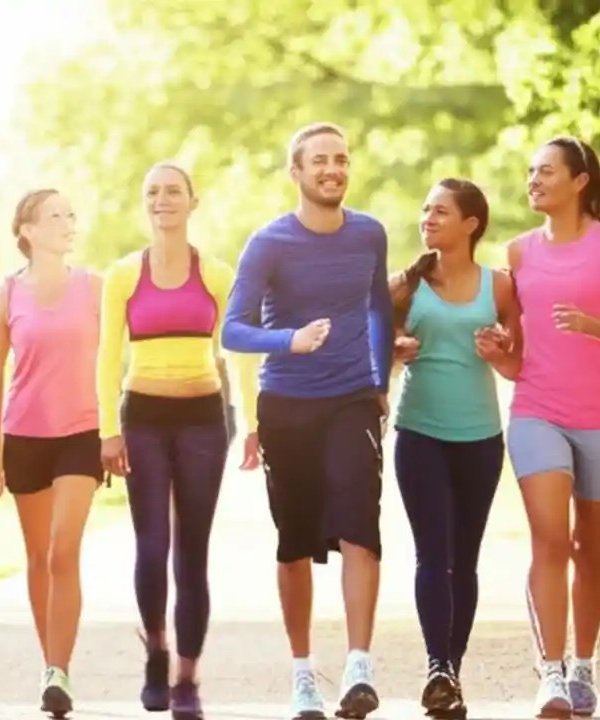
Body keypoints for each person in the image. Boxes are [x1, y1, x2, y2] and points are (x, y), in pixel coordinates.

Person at [222, 122, 393, 720]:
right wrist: (289, 339)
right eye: (319, 160)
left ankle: (358, 667)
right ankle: (302, 675)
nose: (332, 169)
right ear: (296, 172)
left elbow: (377, 304)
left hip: (351, 399)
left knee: (360, 527)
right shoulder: (269, 244)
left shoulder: (369, 234)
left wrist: (378, 380)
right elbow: (232, 328)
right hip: (288, 405)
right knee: (294, 542)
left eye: (341, 159)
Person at [97, 162, 261, 719]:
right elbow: (105, 358)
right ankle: (155, 653)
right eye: (153, 193)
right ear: (145, 204)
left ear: (193, 203)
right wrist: (108, 431)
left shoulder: (216, 273)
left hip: (201, 418)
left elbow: (238, 347)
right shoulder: (123, 275)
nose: (162, 200)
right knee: (151, 545)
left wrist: (251, 421)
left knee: (192, 553)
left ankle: (187, 678)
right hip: (141, 415)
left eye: (173, 192)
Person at [502, 136, 600, 719]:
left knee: (593, 549)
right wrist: (497, 352)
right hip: (536, 409)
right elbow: (516, 346)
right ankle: (551, 672)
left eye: (545, 172)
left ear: (578, 180)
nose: (534, 180)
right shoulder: (517, 253)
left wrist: (593, 325)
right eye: (530, 172)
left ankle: (584, 664)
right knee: (551, 540)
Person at [388, 179, 520, 719]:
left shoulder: (503, 286)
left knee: (464, 559)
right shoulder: (404, 285)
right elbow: (373, 349)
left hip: (481, 438)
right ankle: (436, 666)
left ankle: (451, 674)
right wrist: (394, 348)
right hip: (419, 433)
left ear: (471, 223)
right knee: (432, 553)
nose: (428, 218)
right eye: (424, 209)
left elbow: (518, 364)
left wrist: (499, 351)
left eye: (440, 211)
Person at [0, 188, 103, 718]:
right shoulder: (6, 294)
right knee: (37, 557)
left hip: (81, 434)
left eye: (69, 214)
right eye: (55, 215)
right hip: (24, 436)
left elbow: (115, 359)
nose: (67, 222)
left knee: (62, 549)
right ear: (27, 231)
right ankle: (51, 666)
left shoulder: (96, 288)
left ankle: (59, 668)